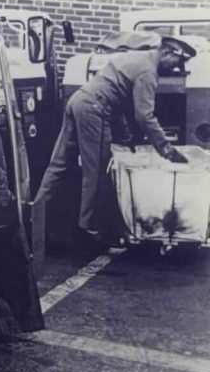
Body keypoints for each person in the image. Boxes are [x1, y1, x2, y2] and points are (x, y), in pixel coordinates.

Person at [35, 36, 197, 240]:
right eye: (178, 62)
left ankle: (36, 218)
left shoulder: (135, 57)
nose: (176, 68)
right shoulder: (148, 72)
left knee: (58, 165)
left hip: (79, 100)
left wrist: (126, 136)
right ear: (167, 53)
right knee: (97, 172)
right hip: (94, 109)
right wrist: (167, 150)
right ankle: (89, 230)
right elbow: (144, 116)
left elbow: (118, 99)